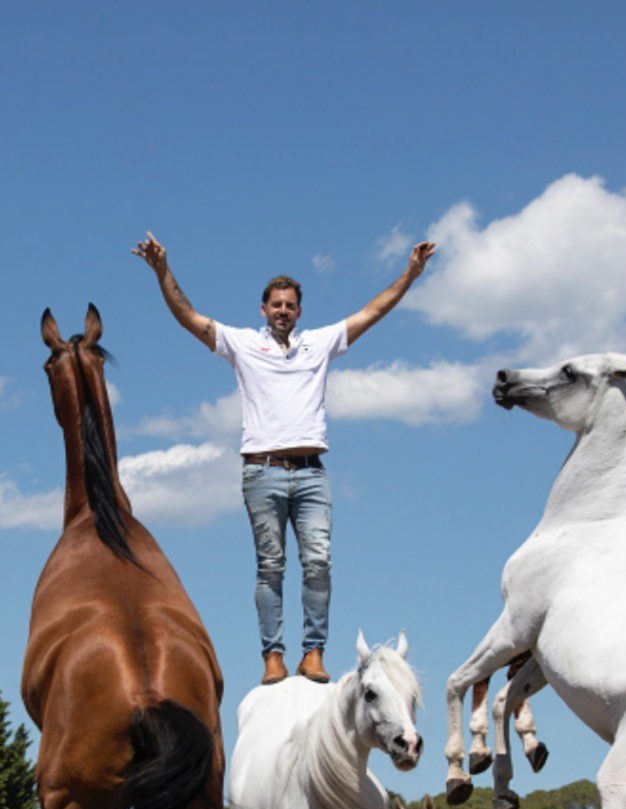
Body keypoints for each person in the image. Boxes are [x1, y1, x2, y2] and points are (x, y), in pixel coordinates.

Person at [133, 231, 437, 685]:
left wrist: (410, 275)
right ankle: (272, 656)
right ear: (263, 309)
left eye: (290, 304)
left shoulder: (319, 343)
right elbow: (188, 317)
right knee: (270, 566)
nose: (282, 310)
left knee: (318, 562)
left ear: (299, 310)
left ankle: (313, 654)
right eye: (275, 304)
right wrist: (162, 271)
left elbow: (373, 312)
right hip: (263, 471)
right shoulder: (241, 344)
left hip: (312, 473)